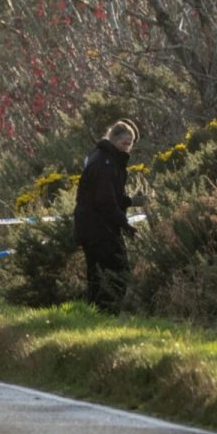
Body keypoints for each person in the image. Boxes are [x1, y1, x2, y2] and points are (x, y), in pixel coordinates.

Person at [73, 119, 140, 314]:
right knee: (117, 272)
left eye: (130, 145)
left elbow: (112, 196)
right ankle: (108, 313)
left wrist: (130, 201)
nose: (126, 148)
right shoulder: (106, 163)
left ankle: (93, 314)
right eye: (124, 143)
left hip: (90, 226)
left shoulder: (102, 157)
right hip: (99, 228)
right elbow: (105, 201)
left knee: (96, 274)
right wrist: (125, 225)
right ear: (113, 140)